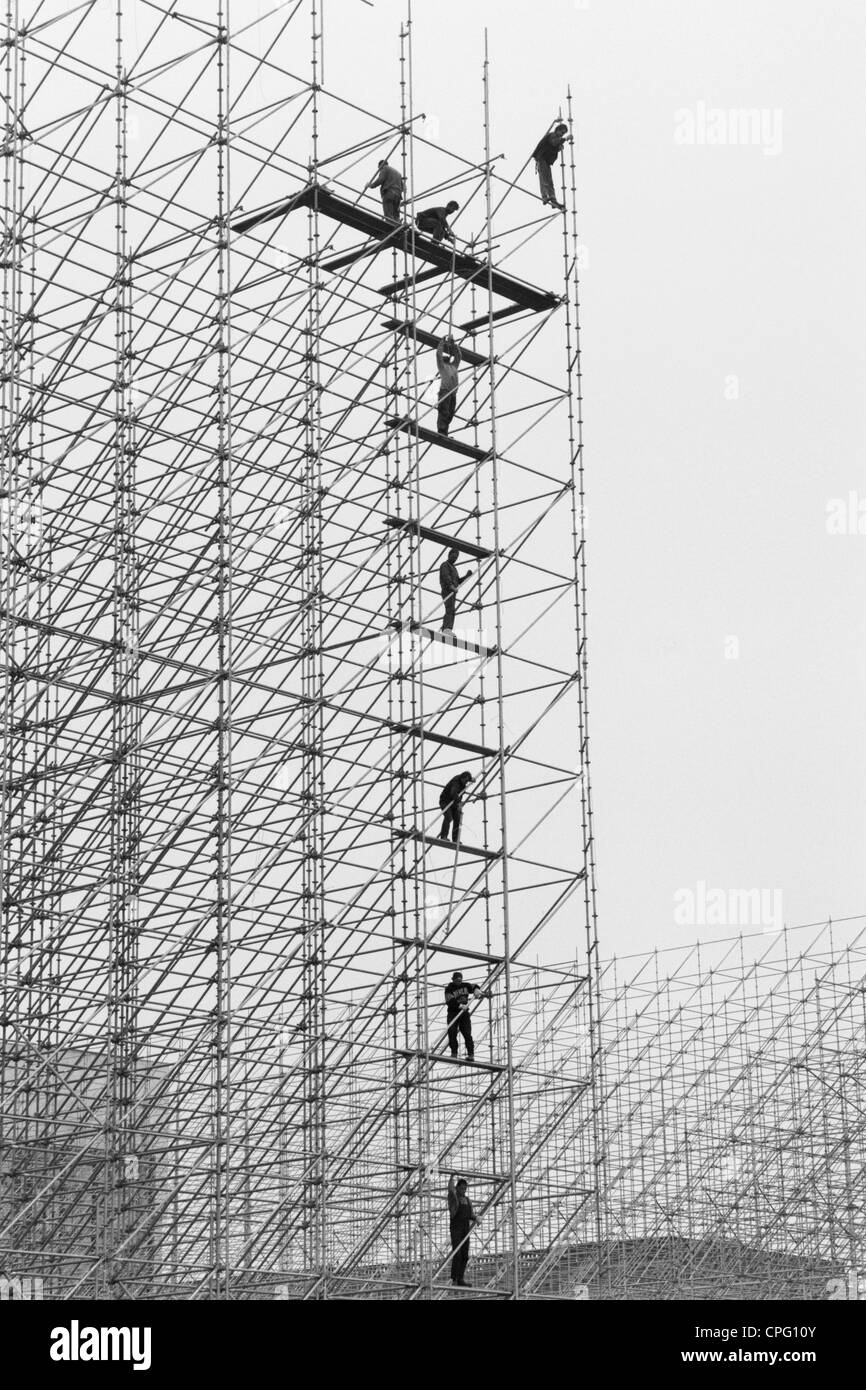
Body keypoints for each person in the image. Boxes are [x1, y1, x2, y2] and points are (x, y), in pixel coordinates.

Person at [444, 971, 486, 1060]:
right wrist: (459, 1005)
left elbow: (474, 986)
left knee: (467, 1033)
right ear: (453, 980)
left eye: (459, 980)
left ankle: (471, 1054)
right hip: (453, 1012)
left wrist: (476, 989)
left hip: (464, 1013)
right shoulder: (449, 989)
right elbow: (449, 1001)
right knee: (452, 1032)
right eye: (456, 980)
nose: (458, 982)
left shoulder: (465, 985)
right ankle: (454, 1053)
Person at [447, 1173, 477, 1286]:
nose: (464, 1190)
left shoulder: (468, 1200)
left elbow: (471, 1214)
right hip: (456, 1228)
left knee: (465, 1255)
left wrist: (476, 1218)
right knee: (457, 1253)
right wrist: (451, 1178)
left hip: (465, 1229)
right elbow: (450, 1191)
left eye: (465, 1188)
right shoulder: (454, 1199)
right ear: (457, 1188)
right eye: (462, 1188)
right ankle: (454, 1278)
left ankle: (460, 1278)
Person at [532, 122, 568, 209]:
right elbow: (554, 143)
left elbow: (553, 148)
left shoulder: (556, 138)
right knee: (544, 178)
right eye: (561, 132)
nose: (561, 134)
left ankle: (553, 198)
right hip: (542, 159)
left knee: (549, 180)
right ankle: (545, 196)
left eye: (563, 134)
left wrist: (559, 148)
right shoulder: (552, 135)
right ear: (557, 130)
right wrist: (564, 139)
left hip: (546, 161)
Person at [436, 337, 461, 436]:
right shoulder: (442, 366)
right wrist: (442, 343)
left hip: (453, 392)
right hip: (445, 391)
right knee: (444, 411)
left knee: (450, 412)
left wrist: (454, 345)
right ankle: (441, 430)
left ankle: (445, 430)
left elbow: (458, 356)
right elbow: (438, 354)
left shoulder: (454, 366)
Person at [439, 770, 473, 844]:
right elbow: (453, 793)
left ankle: (455, 839)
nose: (466, 783)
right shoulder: (456, 782)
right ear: (462, 778)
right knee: (448, 817)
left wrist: (472, 780)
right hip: (445, 801)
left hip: (454, 803)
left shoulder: (463, 781)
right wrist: (459, 803)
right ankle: (443, 836)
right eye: (466, 781)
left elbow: (469, 779)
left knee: (457, 819)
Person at [367, 158, 404, 224]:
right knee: (395, 214)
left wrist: (371, 185)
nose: (379, 170)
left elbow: (380, 180)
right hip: (398, 196)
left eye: (379, 169)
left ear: (381, 165)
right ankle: (398, 225)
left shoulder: (385, 168)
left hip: (389, 193)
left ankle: (391, 226)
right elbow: (403, 187)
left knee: (388, 213)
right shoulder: (398, 174)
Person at [439, 546, 463, 632]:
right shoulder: (445, 565)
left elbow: (458, 580)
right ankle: (447, 628)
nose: (455, 558)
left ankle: (446, 627)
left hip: (453, 591)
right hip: (447, 590)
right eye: (453, 556)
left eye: (456, 557)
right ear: (449, 555)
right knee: (450, 609)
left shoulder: (454, 568)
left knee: (451, 610)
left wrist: (466, 576)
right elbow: (446, 577)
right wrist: (451, 586)